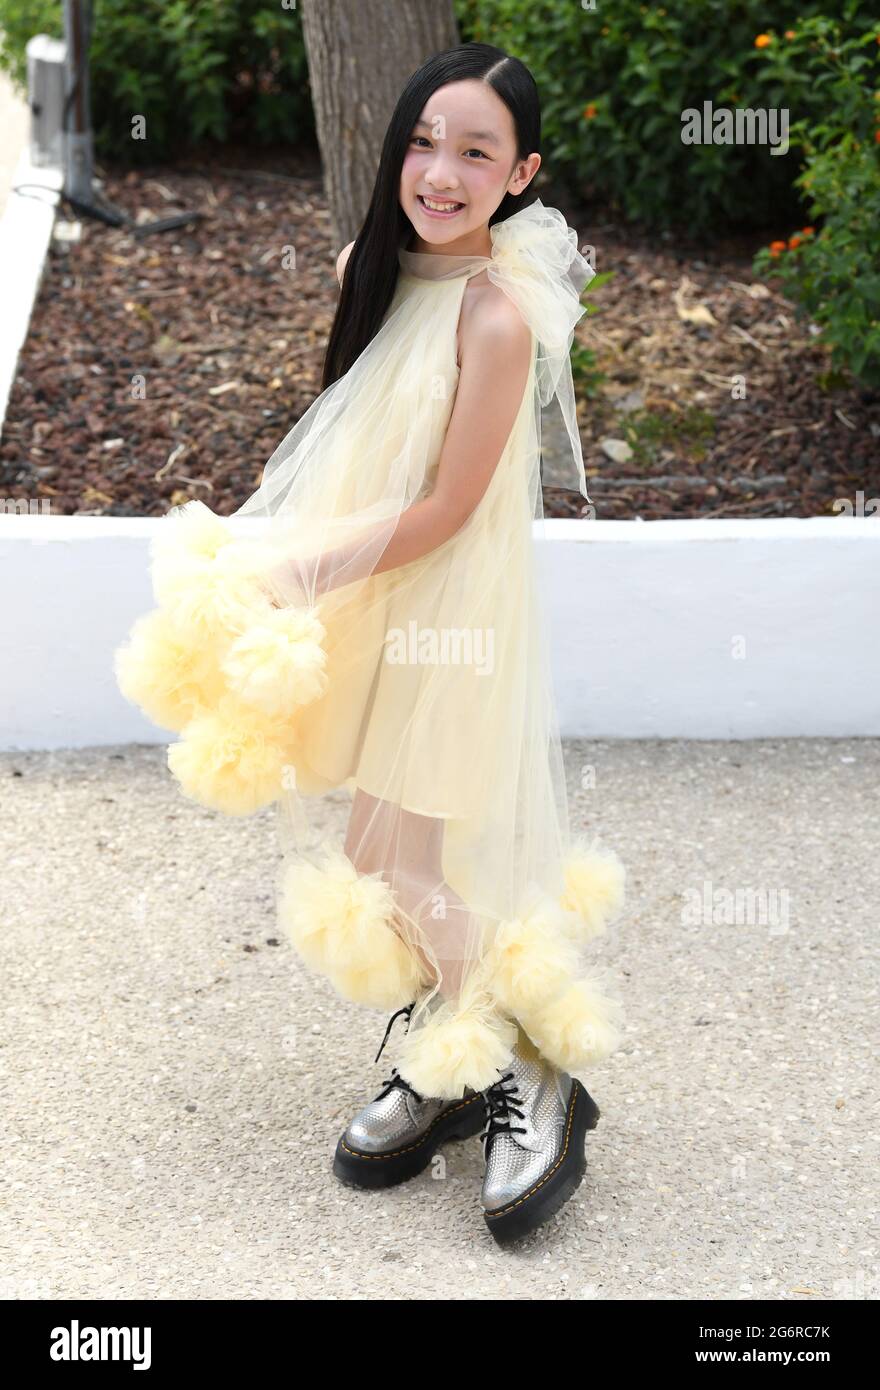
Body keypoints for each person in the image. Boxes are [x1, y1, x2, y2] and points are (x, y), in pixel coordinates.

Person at [115, 42, 626, 1244]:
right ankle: (448, 1046)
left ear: (522, 172)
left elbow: (449, 506)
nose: (440, 171)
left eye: (475, 151)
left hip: (447, 611)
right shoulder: (372, 268)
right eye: (423, 142)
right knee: (375, 848)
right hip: (373, 597)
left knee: (407, 864)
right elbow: (353, 432)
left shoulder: (495, 318)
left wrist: (299, 566)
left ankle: (525, 1064)